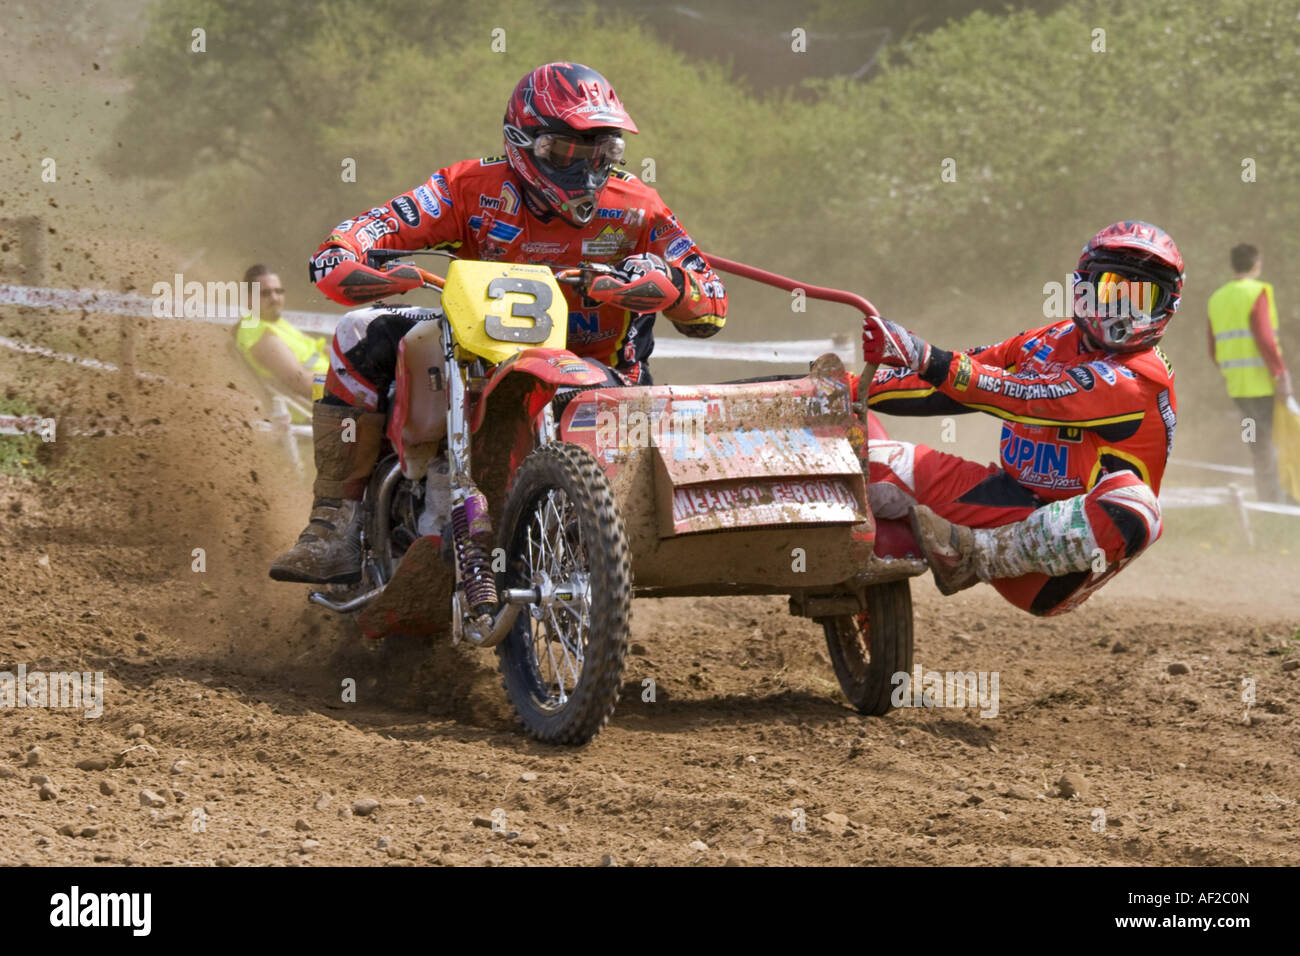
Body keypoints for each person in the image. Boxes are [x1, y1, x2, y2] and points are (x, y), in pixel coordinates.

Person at [270, 62, 728, 584]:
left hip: (599, 378)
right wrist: (342, 252)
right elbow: (379, 224)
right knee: (358, 331)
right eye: (567, 152)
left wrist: (666, 278)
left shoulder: (638, 208)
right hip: (479, 357)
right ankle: (335, 523)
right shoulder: (469, 187)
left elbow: (712, 298)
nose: (585, 170)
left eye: (601, 154)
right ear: (521, 142)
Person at [858, 221, 1182, 616]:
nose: (1123, 310)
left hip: (1056, 567)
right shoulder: (1045, 341)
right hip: (1000, 502)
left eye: (1140, 297)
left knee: (1136, 504)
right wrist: (847, 388)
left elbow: (1031, 397)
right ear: (1084, 286)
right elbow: (948, 382)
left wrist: (929, 357)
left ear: (1165, 307)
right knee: (864, 464)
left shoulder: (1139, 378)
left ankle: (978, 558)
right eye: (1113, 289)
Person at [1206, 243, 1294, 503]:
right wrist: (1281, 373)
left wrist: (1232, 372)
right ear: (1257, 264)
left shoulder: (1217, 298)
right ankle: (1276, 500)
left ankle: (1266, 496)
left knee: (1253, 439)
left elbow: (1212, 349)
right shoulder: (1258, 292)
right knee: (1273, 440)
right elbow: (1265, 338)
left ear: (1232, 266)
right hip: (1264, 385)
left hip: (1237, 388)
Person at [232, 264, 329, 419]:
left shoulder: (274, 322)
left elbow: (319, 349)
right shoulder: (259, 333)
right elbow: (302, 383)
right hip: (321, 409)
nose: (275, 298)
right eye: (265, 293)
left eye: (279, 291)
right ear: (248, 298)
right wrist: (348, 384)